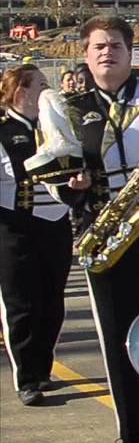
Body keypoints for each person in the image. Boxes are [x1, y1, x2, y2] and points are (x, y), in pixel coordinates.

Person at [48, 16, 139, 443]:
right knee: (115, 332)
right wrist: (70, 186)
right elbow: (52, 172)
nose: (107, 53)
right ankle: (129, 434)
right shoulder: (69, 108)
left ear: (130, 52)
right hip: (104, 231)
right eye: (99, 47)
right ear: (86, 55)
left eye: (116, 46)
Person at [0, 65, 72, 407]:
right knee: (22, 303)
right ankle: (27, 377)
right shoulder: (4, 130)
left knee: (52, 301)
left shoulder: (55, 126)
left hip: (55, 222)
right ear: (22, 92)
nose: (49, 89)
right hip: (15, 226)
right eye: (41, 85)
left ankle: (43, 369)